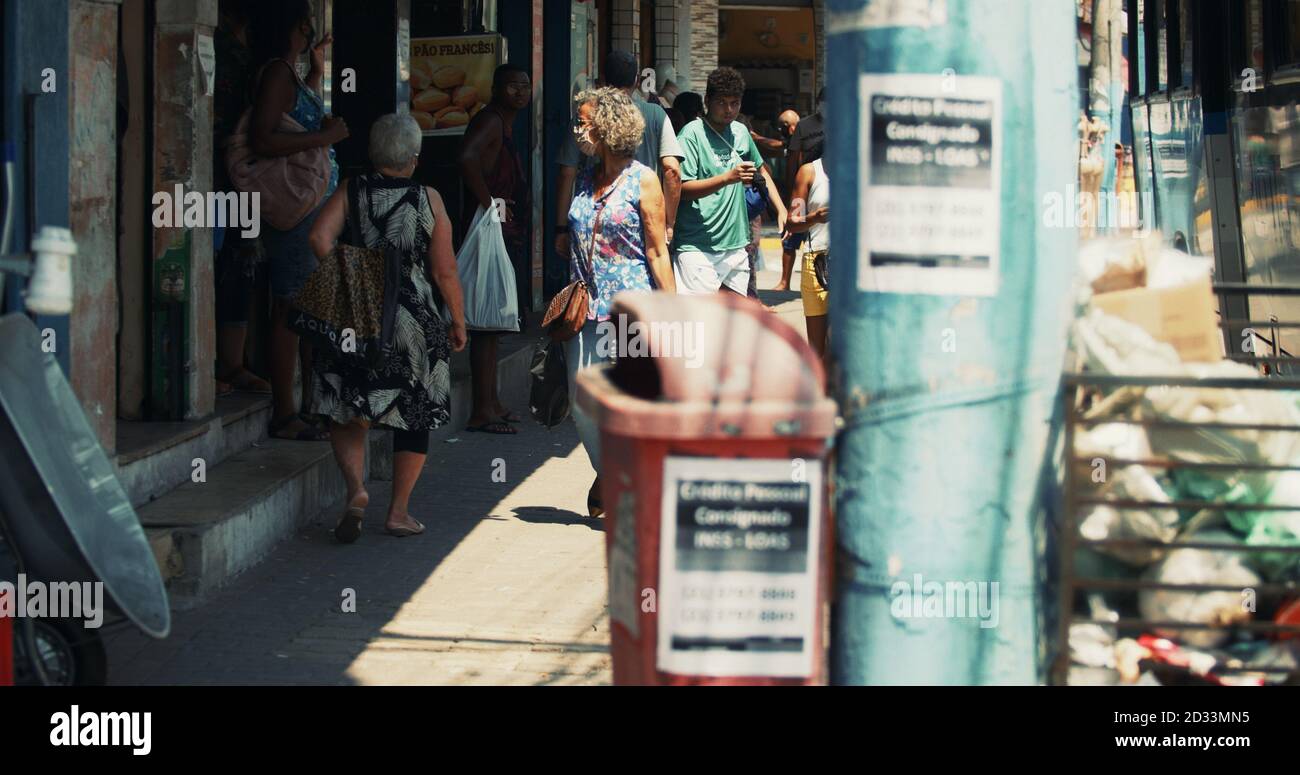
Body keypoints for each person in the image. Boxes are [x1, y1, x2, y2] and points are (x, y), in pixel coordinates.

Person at [307, 114, 468, 542]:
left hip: (354, 317)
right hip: (412, 319)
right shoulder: (428, 198)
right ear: (414, 158)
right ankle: (397, 513)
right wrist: (457, 319)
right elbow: (444, 270)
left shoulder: (351, 190)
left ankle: (357, 491)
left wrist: (352, 275)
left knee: (349, 406)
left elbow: (319, 238)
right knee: (413, 414)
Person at [566, 87, 676, 517]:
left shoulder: (644, 180)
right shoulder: (583, 177)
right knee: (582, 406)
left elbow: (656, 252)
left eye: (584, 122)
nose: (578, 130)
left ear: (608, 128)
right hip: (582, 310)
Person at [248, 0, 347, 441]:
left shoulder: (290, 74)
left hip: (311, 211)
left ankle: (308, 404)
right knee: (290, 308)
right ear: (290, 30)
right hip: (293, 214)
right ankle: (285, 411)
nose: (310, 36)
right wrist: (326, 136)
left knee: (306, 309)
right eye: (306, 29)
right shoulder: (274, 72)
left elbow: (294, 113)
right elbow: (264, 137)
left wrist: (318, 70)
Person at [457, 63, 531, 435]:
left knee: (495, 321)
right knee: (485, 323)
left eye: (525, 85)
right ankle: (481, 409)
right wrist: (489, 206)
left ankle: (493, 401)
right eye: (513, 85)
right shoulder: (488, 121)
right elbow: (467, 158)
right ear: (497, 89)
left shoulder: (506, 123)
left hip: (501, 226)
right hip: (486, 228)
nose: (521, 92)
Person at [556, 50, 682, 264]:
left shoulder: (586, 115)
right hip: (643, 219)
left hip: (593, 218)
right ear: (636, 80)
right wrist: (669, 222)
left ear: (602, 80)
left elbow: (567, 173)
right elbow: (672, 170)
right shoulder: (655, 114)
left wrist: (560, 228)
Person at [671, 67, 786, 296]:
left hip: (736, 245)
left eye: (735, 103)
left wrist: (781, 209)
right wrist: (727, 178)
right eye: (721, 103)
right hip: (697, 246)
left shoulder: (741, 132)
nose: (729, 110)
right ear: (707, 101)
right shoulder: (691, 134)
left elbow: (761, 171)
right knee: (700, 325)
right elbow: (682, 189)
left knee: (733, 325)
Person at [213, 0, 270, 396]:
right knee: (230, 263)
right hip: (226, 175)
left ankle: (231, 365)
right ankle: (224, 365)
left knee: (237, 263)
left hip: (237, 177)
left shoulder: (245, 52)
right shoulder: (227, 50)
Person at [784, 155, 830, 359]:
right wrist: (814, 218)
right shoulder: (810, 172)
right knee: (817, 349)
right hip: (817, 262)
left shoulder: (859, 167)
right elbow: (792, 223)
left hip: (848, 262)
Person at [773, 108, 802, 292]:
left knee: (790, 236)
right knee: (790, 239)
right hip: (798, 195)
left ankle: (785, 282)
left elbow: (792, 174)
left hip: (799, 196)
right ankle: (785, 281)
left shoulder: (798, 141)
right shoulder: (795, 140)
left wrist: (789, 201)